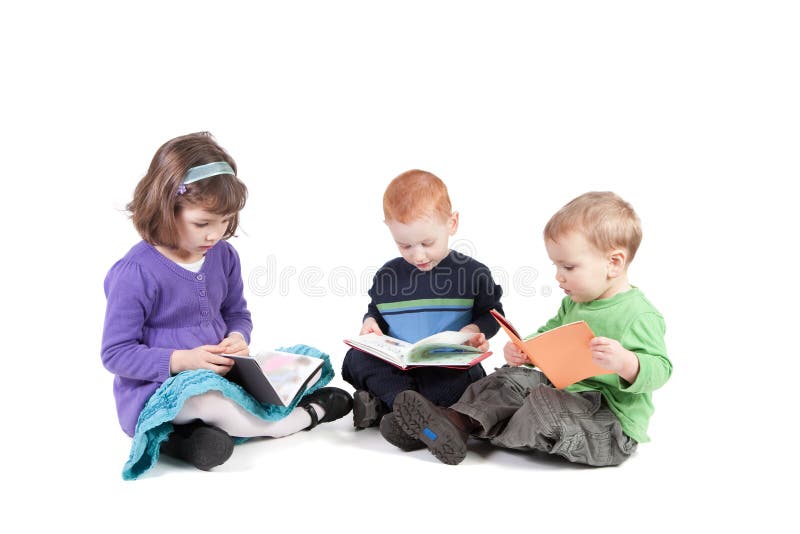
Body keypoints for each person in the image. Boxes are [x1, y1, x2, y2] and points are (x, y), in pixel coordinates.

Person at [102, 132, 352, 474]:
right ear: (165, 206)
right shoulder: (136, 273)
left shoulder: (223, 256)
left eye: (224, 222)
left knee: (299, 363)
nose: (214, 235)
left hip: (224, 373)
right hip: (158, 391)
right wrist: (182, 361)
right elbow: (116, 353)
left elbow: (237, 313)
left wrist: (239, 336)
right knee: (205, 399)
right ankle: (302, 418)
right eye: (202, 223)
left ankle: (191, 440)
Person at [389, 191, 672, 466]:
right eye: (556, 265)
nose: (559, 276)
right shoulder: (575, 302)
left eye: (569, 267)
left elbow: (660, 369)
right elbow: (550, 335)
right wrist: (527, 351)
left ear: (614, 263)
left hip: (610, 423)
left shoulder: (639, 314)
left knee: (543, 407)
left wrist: (627, 363)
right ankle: (453, 422)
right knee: (509, 380)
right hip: (566, 391)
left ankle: (453, 428)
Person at [341, 169, 504, 450]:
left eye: (428, 243)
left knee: (468, 384)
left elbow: (491, 313)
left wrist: (474, 330)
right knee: (356, 359)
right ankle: (414, 411)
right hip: (398, 368)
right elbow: (377, 311)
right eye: (405, 245)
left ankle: (395, 411)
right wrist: (370, 322)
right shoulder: (388, 275)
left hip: (445, 367)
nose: (418, 255)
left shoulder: (472, 273)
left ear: (451, 223)